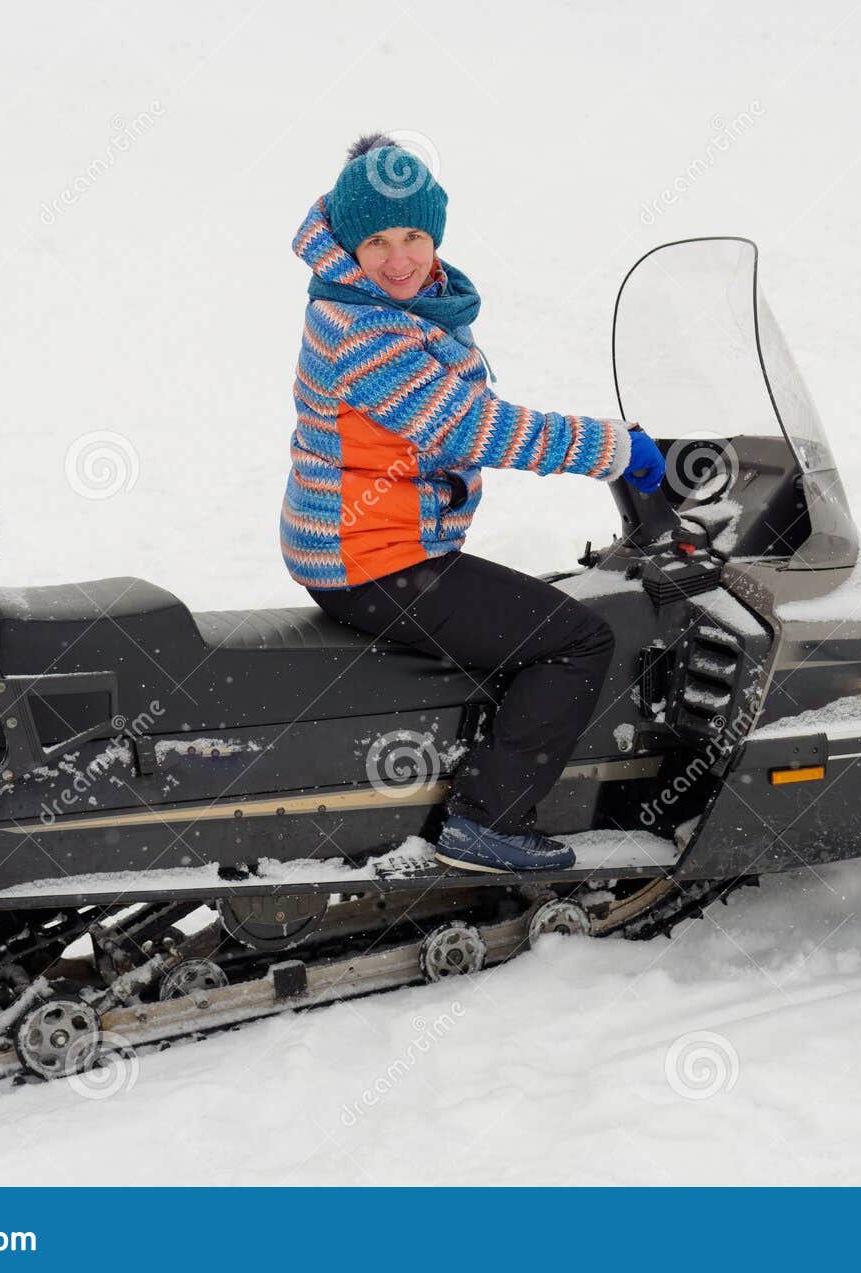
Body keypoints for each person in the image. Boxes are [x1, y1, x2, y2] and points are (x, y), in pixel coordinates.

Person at [281, 133, 666, 874]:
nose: (400, 259)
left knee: (529, 619)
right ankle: (487, 822)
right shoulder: (362, 330)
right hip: (370, 560)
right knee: (575, 640)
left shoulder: (391, 302)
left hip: (380, 545)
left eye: (415, 236)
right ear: (348, 244)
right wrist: (613, 449)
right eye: (379, 241)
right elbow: (469, 424)